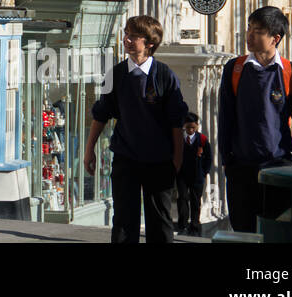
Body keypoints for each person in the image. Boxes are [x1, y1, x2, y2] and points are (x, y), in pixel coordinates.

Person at [85, 15, 187, 243]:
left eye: (133, 36)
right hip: (126, 158)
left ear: (149, 43)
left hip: (160, 160)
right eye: (126, 34)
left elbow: (176, 122)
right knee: (123, 221)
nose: (127, 40)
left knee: (160, 222)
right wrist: (89, 149)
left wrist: (177, 159)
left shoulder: (164, 76)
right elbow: (101, 114)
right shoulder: (116, 74)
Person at [218, 5, 292, 233]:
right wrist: (227, 159)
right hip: (241, 168)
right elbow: (226, 118)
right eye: (249, 28)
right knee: (243, 230)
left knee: (275, 231)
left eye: (258, 30)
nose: (249, 35)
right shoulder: (234, 68)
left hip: (279, 168)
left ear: (275, 38)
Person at [177, 112, 213, 236]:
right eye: (188, 127)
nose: (190, 130)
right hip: (182, 175)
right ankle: (182, 225)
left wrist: (204, 172)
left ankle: (194, 227)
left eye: (193, 127)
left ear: (197, 126)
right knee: (182, 198)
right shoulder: (180, 139)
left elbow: (208, 157)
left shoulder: (202, 139)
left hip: (197, 176)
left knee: (195, 201)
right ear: (184, 126)